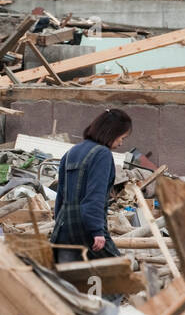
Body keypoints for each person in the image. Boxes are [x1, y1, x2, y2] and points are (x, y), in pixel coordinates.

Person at [49, 108, 132, 265]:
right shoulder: (102, 154)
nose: (121, 142)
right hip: (86, 230)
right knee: (116, 275)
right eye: (122, 137)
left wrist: (58, 224)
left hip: (63, 229)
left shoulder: (72, 151)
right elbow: (95, 196)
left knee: (70, 282)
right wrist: (97, 231)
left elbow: (61, 194)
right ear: (111, 132)